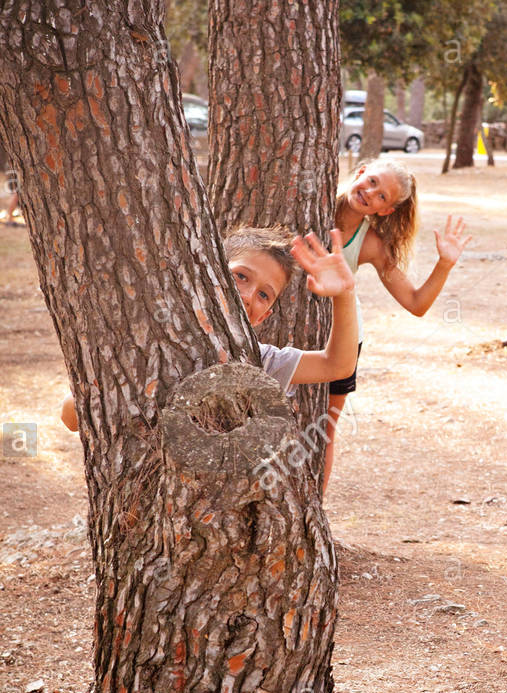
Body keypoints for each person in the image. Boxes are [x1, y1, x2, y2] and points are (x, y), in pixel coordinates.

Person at [61, 227, 357, 434]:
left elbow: (338, 364)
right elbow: (71, 417)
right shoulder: (153, 342)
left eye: (264, 295)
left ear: (263, 317)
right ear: (207, 272)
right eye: (241, 276)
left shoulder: (260, 363)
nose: (248, 295)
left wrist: (344, 294)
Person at [327, 157, 470, 489]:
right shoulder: (309, 204)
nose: (370, 193)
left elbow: (416, 303)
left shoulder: (371, 244)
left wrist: (445, 264)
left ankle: (312, 516)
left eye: (382, 197)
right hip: (290, 336)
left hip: (342, 339)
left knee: (323, 432)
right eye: (373, 182)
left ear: (385, 212)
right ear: (361, 173)